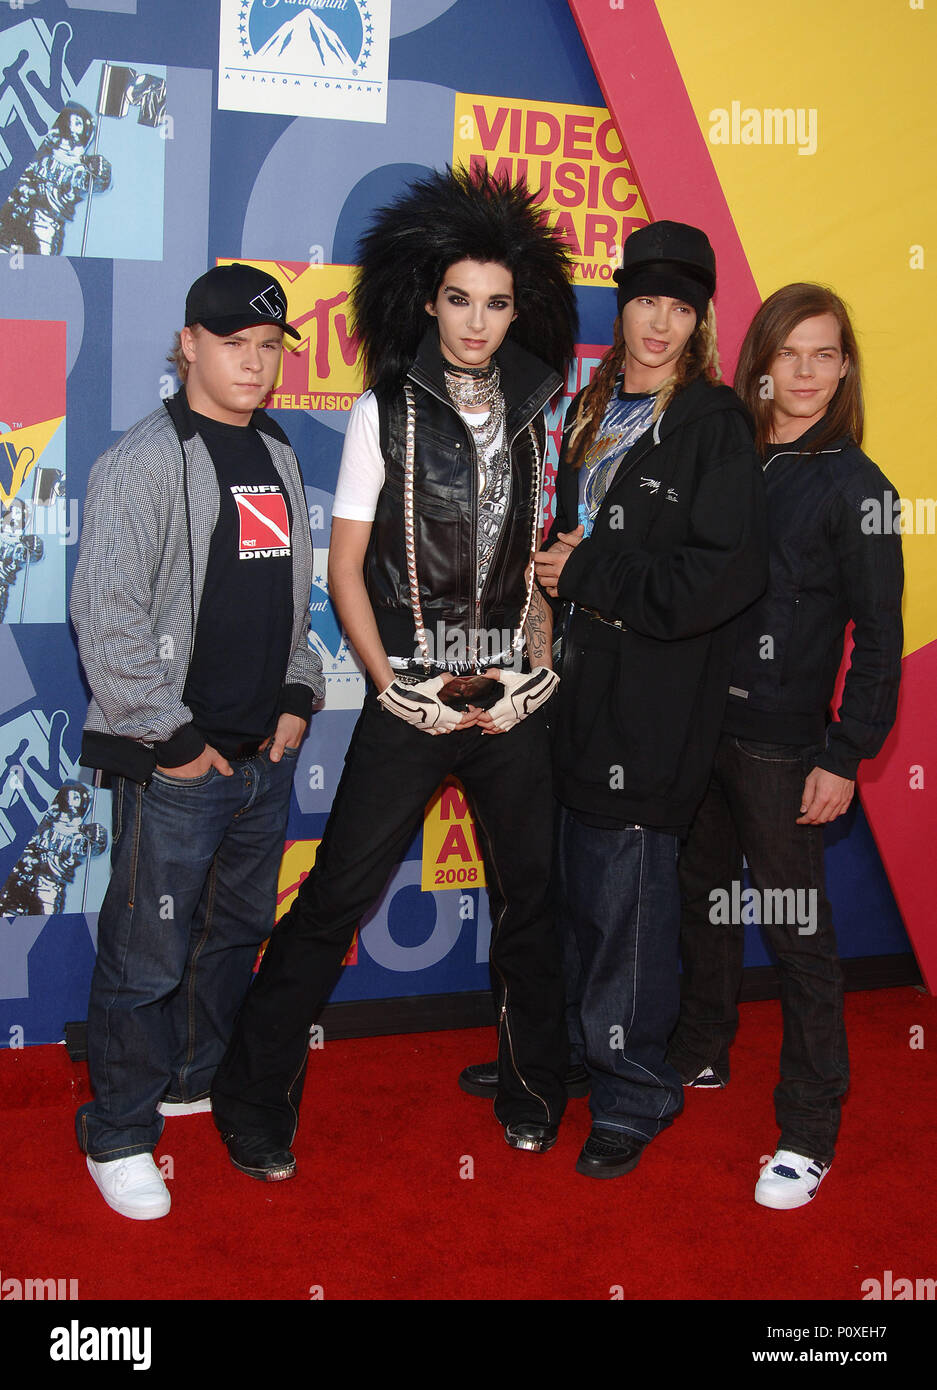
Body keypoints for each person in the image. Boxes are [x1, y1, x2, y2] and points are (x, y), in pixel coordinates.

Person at [211, 166, 578, 1180]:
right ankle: (251, 1101)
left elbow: (540, 558)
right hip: (411, 693)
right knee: (332, 900)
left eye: (496, 302)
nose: (476, 320)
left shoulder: (545, 408)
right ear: (427, 298)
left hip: (512, 701)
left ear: (519, 309)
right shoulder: (385, 410)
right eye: (459, 298)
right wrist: (386, 682)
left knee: (533, 902)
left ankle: (533, 1090)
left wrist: (537, 663)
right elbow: (342, 566)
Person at [70, 263, 323, 1220]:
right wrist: (170, 740)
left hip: (260, 756)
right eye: (232, 345)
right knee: (147, 954)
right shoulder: (143, 461)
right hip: (179, 760)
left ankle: (187, 1081)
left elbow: (290, 596)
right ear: (188, 346)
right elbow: (106, 616)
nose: (253, 364)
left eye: (267, 348)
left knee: (230, 941)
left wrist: (298, 693)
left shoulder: (279, 450)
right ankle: (120, 1132)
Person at [519, 219, 767, 1179]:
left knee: (628, 897)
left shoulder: (710, 422)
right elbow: (565, 538)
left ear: (699, 320)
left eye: (679, 307)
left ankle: (635, 1089)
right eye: (644, 301)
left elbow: (723, 575)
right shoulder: (591, 405)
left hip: (655, 704)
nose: (659, 322)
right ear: (618, 305)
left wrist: (589, 572)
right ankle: (585, 1054)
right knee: (580, 892)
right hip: (569, 692)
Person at [666, 283, 903, 1209]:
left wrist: (845, 754)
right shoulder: (729, 461)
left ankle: (808, 1128)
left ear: (843, 369)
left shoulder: (859, 489)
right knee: (704, 903)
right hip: (701, 732)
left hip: (784, 748)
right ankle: (702, 1049)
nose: (803, 374)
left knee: (798, 938)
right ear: (757, 363)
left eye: (824, 355)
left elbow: (880, 638)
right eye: (787, 354)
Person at [0, 104, 112, 257]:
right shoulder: (30, 150)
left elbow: (97, 184)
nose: (56, 137)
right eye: (58, 129)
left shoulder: (77, 169)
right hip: (10, 217)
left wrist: (102, 174)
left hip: (44, 229)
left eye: (68, 136)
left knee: (36, 271)